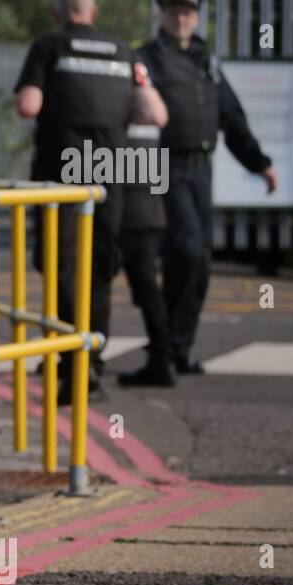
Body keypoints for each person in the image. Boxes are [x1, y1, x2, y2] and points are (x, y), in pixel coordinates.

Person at [15, 0, 167, 403]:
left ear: (58, 13)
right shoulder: (124, 51)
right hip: (110, 172)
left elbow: (28, 105)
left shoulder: (49, 46)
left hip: (60, 168)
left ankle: (68, 363)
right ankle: (92, 368)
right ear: (94, 11)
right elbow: (155, 113)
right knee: (99, 270)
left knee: (61, 266)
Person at [138, 0, 278, 374]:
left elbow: (232, 118)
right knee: (182, 250)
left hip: (201, 171)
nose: (181, 18)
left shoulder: (207, 62)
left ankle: (176, 350)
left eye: (188, 12)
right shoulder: (146, 59)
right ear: (161, 15)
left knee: (199, 261)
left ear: (196, 17)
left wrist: (259, 163)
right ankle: (162, 351)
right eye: (174, 11)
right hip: (163, 168)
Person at [116, 123, 177, 387]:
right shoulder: (155, 106)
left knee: (95, 284)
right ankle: (163, 358)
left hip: (124, 207)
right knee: (148, 289)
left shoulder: (118, 98)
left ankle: (86, 363)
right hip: (149, 206)